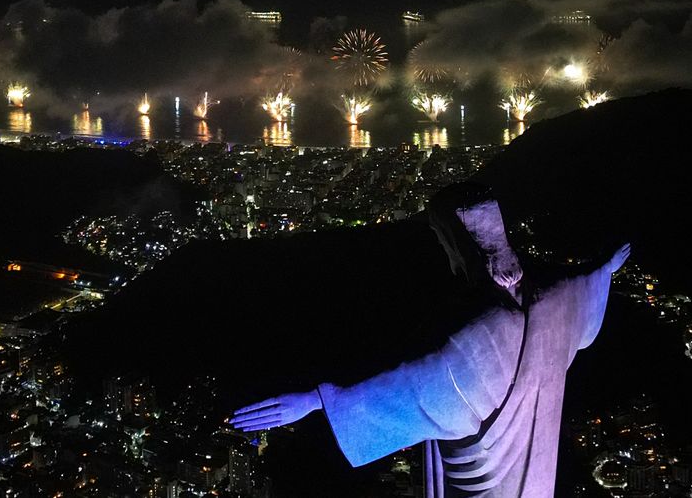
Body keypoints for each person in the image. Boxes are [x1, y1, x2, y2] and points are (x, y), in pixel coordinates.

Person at [231, 182, 630, 497]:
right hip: (538, 474)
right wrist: (606, 268)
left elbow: (418, 382)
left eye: (443, 240)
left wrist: (318, 399)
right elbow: (584, 282)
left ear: (459, 244)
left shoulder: (480, 333)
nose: (444, 251)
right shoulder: (554, 295)